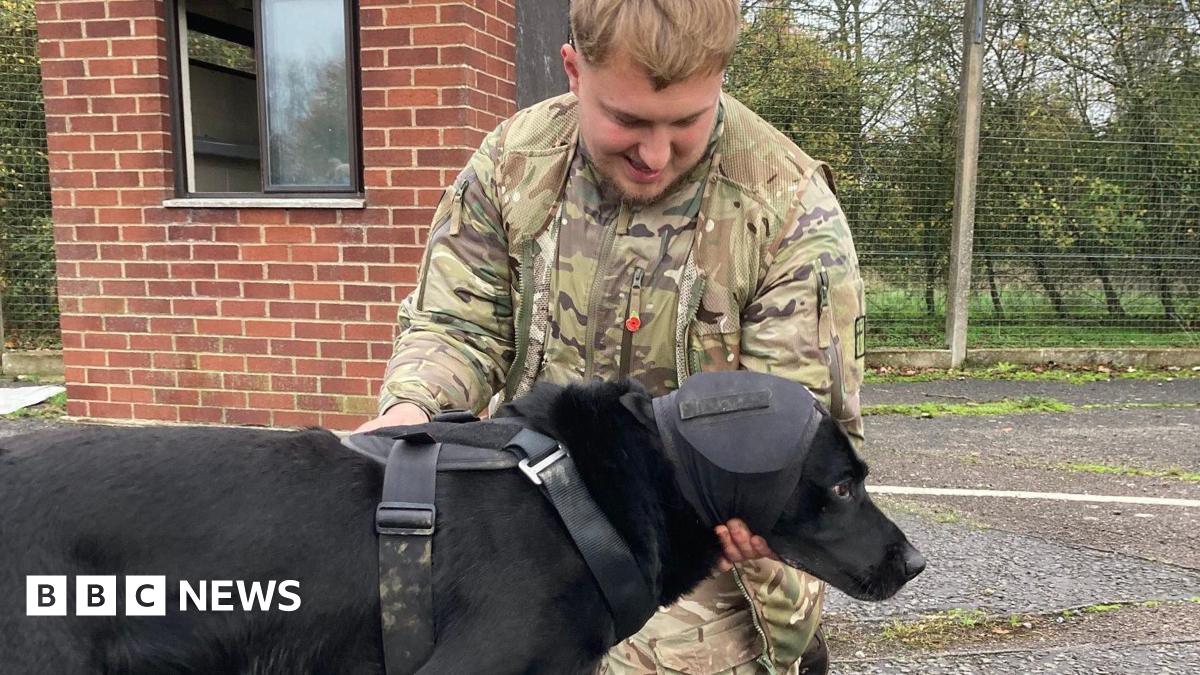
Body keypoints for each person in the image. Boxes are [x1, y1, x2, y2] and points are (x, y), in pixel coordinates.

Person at [355, 0, 866, 672]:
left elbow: (804, 451)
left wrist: (789, 641)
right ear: (573, 70)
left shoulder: (786, 208)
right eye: (626, 120)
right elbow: (456, 323)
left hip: (699, 577)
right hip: (526, 537)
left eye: (687, 121)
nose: (655, 155)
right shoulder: (513, 164)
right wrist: (406, 417)